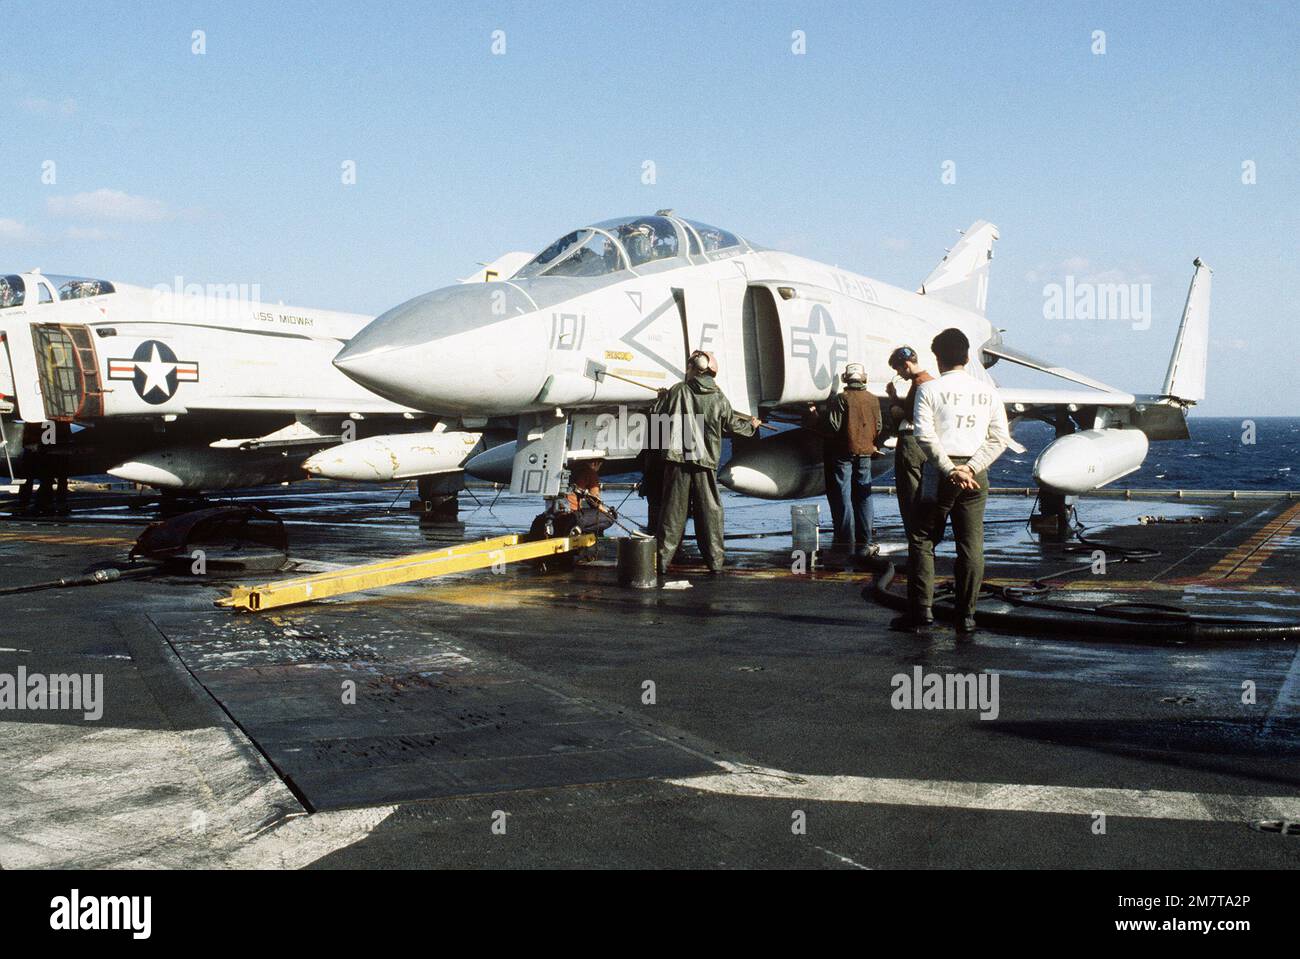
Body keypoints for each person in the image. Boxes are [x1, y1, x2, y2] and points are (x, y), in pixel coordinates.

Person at [896, 328, 1009, 637]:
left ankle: (921, 613)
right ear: (967, 356)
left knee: (922, 538)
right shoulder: (987, 391)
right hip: (976, 475)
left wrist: (949, 470)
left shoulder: (929, 390)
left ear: (938, 357)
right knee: (971, 546)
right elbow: (1000, 438)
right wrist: (970, 468)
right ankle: (967, 616)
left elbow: (924, 435)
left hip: (939, 473)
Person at [654, 350, 759, 576]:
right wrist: (752, 425)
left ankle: (661, 562)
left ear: (693, 368)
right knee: (710, 512)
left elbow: (658, 420)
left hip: (677, 459)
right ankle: (715, 562)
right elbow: (733, 425)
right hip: (705, 460)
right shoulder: (719, 396)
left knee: (672, 513)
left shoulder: (677, 390)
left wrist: (661, 399)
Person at [812, 362, 881, 557]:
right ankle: (866, 540)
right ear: (864, 378)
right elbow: (879, 426)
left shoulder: (841, 398)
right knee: (864, 495)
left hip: (843, 453)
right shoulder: (873, 399)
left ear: (845, 379)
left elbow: (833, 427)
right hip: (866, 452)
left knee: (843, 496)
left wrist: (817, 418)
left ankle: (845, 540)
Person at [885, 346, 935, 536]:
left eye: (898, 369)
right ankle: (925, 542)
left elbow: (911, 416)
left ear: (906, 364)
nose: (898, 373)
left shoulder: (919, 384)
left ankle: (916, 545)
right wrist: (895, 396)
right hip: (928, 443)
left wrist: (893, 408)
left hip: (911, 443)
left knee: (910, 497)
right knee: (926, 496)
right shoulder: (930, 381)